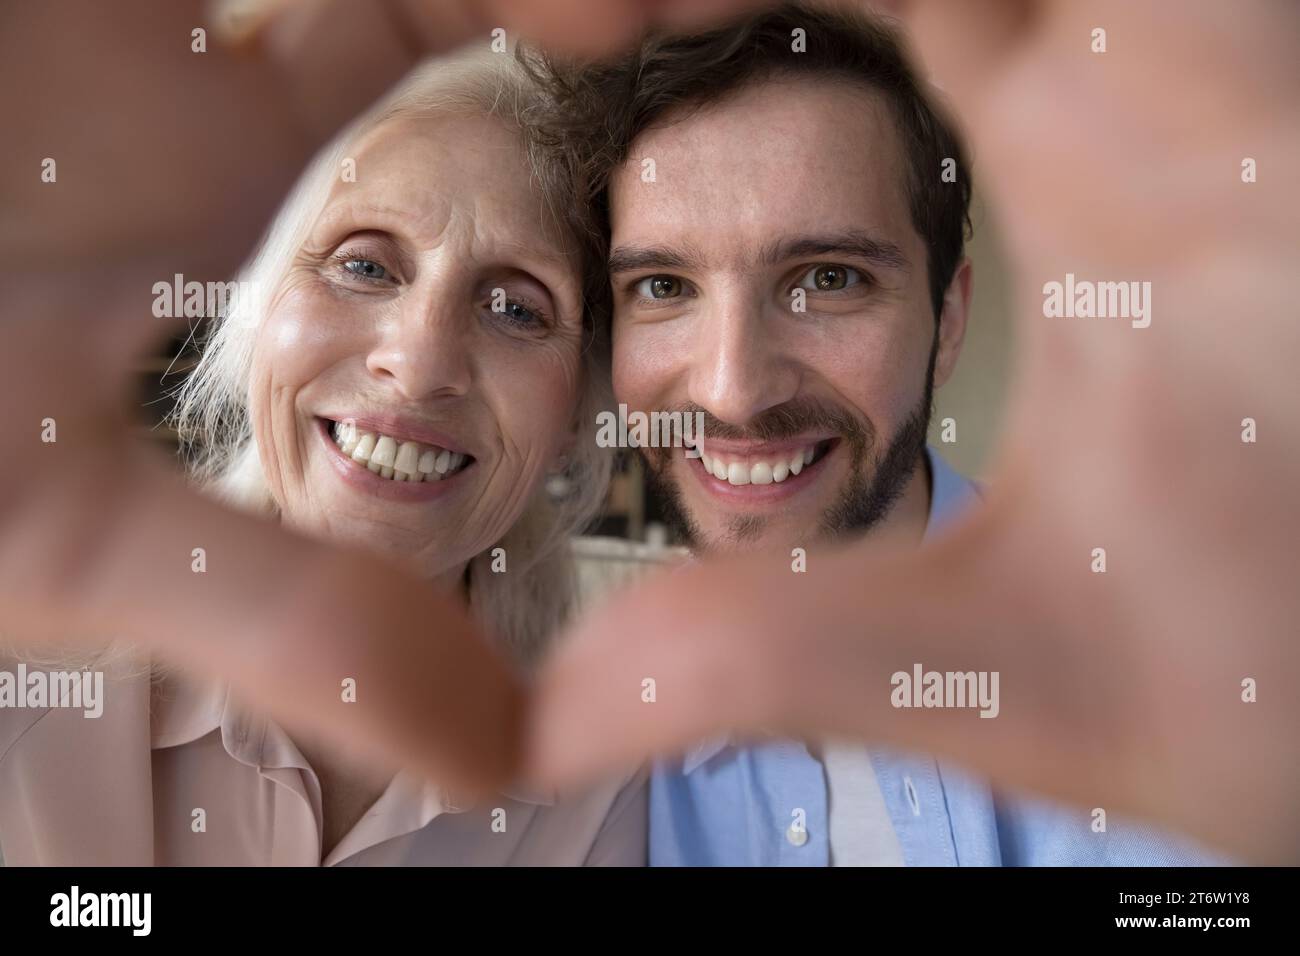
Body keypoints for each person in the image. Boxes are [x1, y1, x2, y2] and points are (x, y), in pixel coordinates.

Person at [522, 3, 1222, 866]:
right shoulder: (579, 757)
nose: (734, 390)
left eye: (827, 277)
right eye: (665, 287)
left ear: (948, 318)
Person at [0, 50, 644, 866]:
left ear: (578, 416)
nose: (418, 367)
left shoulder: (612, 778)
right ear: (255, 312)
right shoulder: (28, 664)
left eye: (516, 308)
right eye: (364, 265)